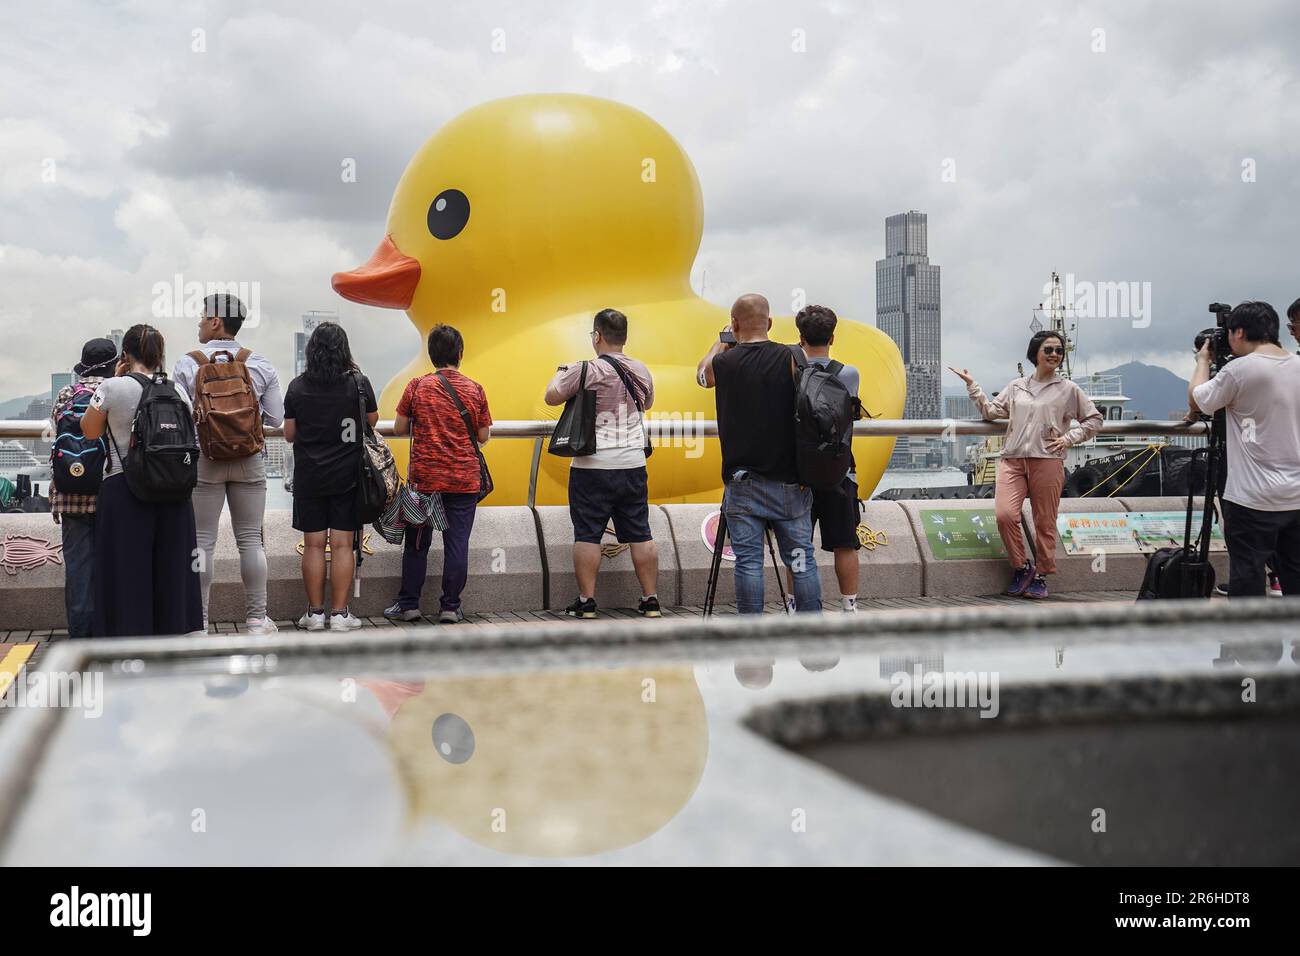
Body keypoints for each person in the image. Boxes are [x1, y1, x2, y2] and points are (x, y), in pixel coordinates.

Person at [949, 331, 1102, 599]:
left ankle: (1041, 575)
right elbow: (991, 412)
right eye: (1049, 350)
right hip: (1013, 459)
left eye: (1059, 350)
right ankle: (1021, 566)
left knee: (1045, 521)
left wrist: (1069, 438)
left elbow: (1094, 419)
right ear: (1035, 354)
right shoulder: (1017, 386)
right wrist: (973, 386)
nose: (1055, 354)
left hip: (1048, 460)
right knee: (1005, 515)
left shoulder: (1068, 389)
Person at [697, 293, 821, 614]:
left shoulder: (724, 363)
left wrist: (722, 340)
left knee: (749, 562)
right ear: (769, 323)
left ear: (735, 324)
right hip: (790, 482)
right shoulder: (793, 357)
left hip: (743, 483)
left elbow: (701, 375)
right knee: (801, 560)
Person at [80, 325, 204, 636]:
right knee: (171, 571)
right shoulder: (177, 392)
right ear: (160, 356)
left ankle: (129, 645)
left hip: (125, 490)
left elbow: (89, 430)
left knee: (127, 572)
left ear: (125, 355)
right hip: (173, 491)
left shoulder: (113, 387)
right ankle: (170, 640)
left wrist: (115, 379)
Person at [173, 293, 284, 634]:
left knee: (202, 542)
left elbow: (180, 418)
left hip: (205, 458)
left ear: (216, 321)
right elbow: (277, 419)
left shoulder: (187, 363)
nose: (199, 321)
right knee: (251, 540)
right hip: (249, 459)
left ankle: (200, 622)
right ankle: (256, 618)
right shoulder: (260, 363)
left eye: (203, 316)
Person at [544, 308, 659, 619]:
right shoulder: (641, 370)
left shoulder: (585, 370)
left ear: (597, 336)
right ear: (624, 337)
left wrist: (560, 372)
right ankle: (650, 600)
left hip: (591, 466)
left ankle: (587, 602)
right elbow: (647, 403)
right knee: (640, 532)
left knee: (587, 533)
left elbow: (551, 397)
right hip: (633, 462)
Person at [1188, 301, 1300, 598]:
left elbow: (1198, 401)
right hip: (1297, 496)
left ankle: (1251, 644)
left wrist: (1202, 361)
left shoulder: (1239, 370)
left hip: (1252, 498)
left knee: (1248, 576)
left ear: (1238, 332)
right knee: (1296, 575)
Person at [382, 324, 491, 625]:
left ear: (431, 355)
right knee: (457, 544)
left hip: (424, 482)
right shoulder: (475, 389)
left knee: (417, 544)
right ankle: (450, 607)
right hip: (463, 480)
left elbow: (399, 428)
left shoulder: (416, 386)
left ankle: (409, 605)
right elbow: (482, 434)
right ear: (460, 354)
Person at [283, 322, 377, 630]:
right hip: (348, 477)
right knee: (342, 545)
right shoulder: (358, 383)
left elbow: (289, 433)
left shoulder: (297, 386)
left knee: (312, 546)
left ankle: (314, 613)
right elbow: (372, 420)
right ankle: (339, 615)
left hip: (310, 476)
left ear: (312, 351)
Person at [784, 305, 861, 613]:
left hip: (797, 471)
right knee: (844, 542)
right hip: (839, 469)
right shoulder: (849, 373)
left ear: (800, 337)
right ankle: (849, 606)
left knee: (796, 545)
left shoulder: (789, 371)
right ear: (833, 337)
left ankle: (792, 605)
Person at [49, 338, 118, 637]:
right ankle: (110, 634)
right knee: (114, 567)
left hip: (70, 495)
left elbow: (56, 432)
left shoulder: (67, 393)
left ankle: (80, 639)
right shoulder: (115, 391)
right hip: (108, 493)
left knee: (78, 570)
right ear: (114, 364)